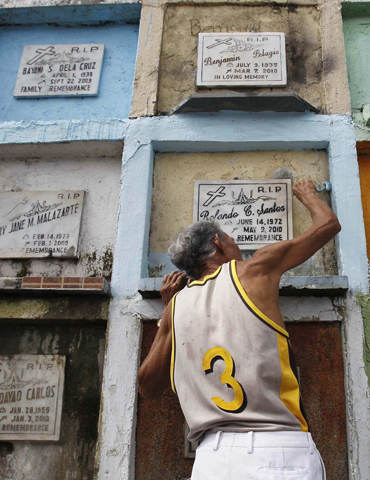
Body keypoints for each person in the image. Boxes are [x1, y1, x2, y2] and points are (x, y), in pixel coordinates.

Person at [137, 179, 340, 480]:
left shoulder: (176, 306)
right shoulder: (257, 269)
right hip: (277, 449)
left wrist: (167, 313)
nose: (237, 246)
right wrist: (307, 193)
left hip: (212, 459)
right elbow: (327, 226)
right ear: (219, 242)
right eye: (233, 240)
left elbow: (148, 386)